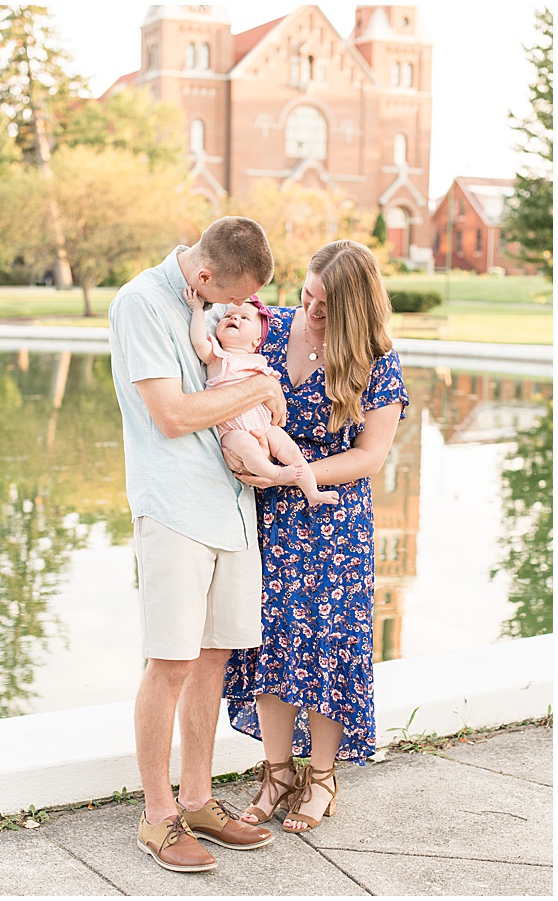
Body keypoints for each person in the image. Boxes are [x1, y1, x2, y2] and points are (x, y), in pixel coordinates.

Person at [108, 216, 285, 873]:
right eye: (228, 297)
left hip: (234, 509)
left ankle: (201, 799)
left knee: (213, 657)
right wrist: (258, 387)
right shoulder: (140, 304)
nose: (233, 311)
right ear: (204, 273)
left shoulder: (209, 302)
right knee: (172, 662)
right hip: (175, 511)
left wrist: (262, 392)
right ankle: (158, 817)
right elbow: (173, 414)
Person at [222, 239, 409, 833]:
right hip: (267, 521)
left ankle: (322, 777)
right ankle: (276, 771)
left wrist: (294, 474)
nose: (310, 310)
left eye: (325, 305)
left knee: (328, 648)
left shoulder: (377, 359)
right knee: (268, 642)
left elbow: (370, 455)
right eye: (307, 295)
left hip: (332, 518)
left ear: (355, 308)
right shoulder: (269, 329)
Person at [183, 286, 339, 507]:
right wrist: (197, 310)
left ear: (257, 341)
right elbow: (199, 341)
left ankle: (312, 492)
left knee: (292, 451)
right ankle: (275, 474)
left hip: (263, 425)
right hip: (232, 429)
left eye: (244, 318)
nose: (233, 318)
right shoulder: (217, 356)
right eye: (228, 315)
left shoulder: (260, 361)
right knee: (246, 446)